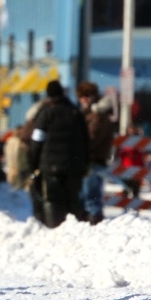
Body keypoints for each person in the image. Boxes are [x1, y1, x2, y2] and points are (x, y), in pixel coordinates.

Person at [29, 80, 89, 228]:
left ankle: (54, 229)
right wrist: (84, 164)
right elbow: (85, 141)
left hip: (50, 167)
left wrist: (33, 164)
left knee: (53, 200)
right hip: (74, 167)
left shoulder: (46, 115)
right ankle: (75, 230)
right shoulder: (76, 113)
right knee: (72, 199)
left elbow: (36, 142)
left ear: (49, 96)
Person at [77, 81, 115, 226]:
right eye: (82, 96)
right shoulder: (86, 114)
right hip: (87, 160)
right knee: (84, 196)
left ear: (94, 96)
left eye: (88, 95)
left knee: (91, 197)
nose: (84, 99)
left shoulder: (98, 115)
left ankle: (96, 225)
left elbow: (92, 138)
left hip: (94, 160)